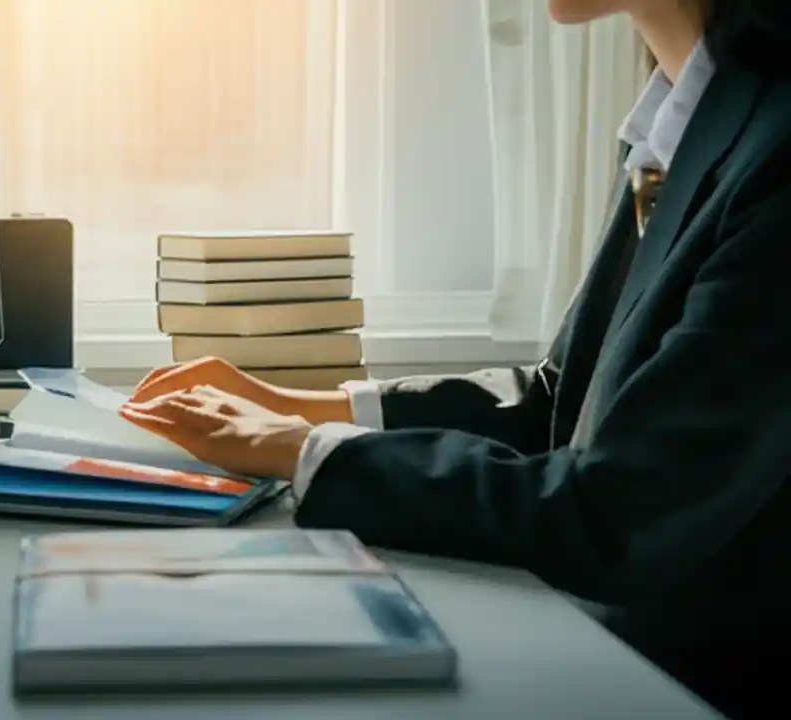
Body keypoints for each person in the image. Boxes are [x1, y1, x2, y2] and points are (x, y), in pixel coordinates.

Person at [119, 1, 791, 717]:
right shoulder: (685, 116)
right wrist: (298, 404)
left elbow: (622, 510)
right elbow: (555, 403)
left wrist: (307, 452)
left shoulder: (775, 149)